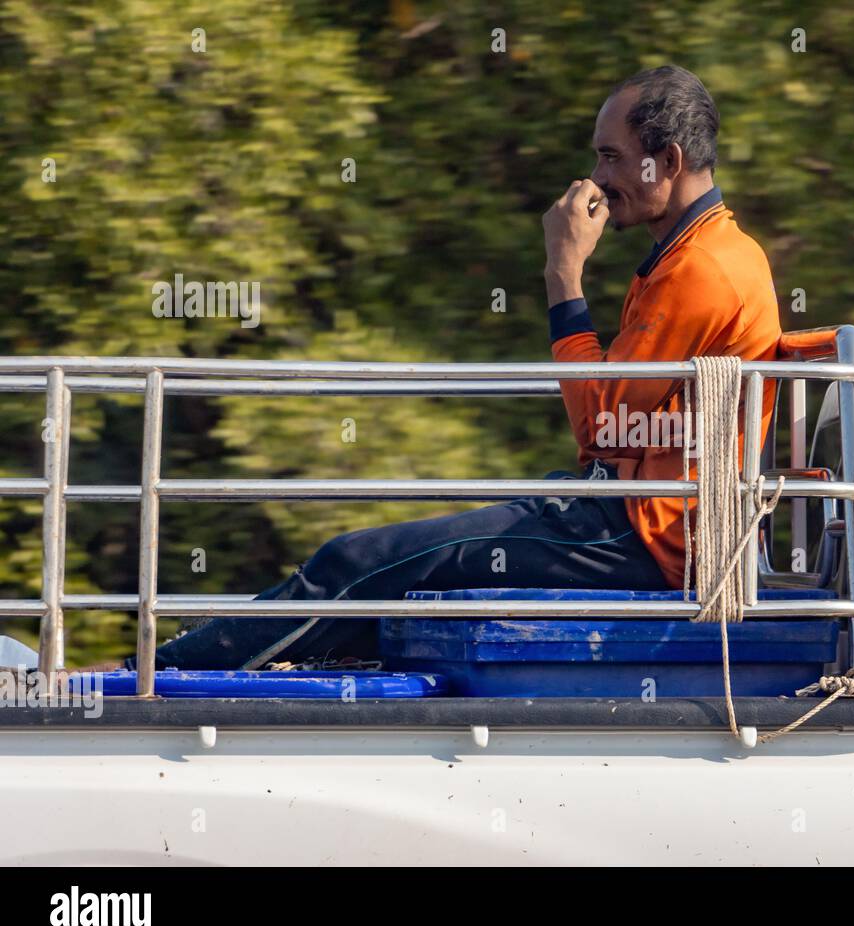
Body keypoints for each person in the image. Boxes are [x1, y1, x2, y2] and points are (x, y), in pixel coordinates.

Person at [132, 64, 782, 671]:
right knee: (385, 579)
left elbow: (603, 429)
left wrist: (563, 275)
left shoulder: (703, 268)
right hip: (625, 515)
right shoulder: (695, 253)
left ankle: (151, 682)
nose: (596, 176)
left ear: (666, 161)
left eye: (610, 156)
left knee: (355, 561)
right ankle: (216, 675)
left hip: (647, 536)